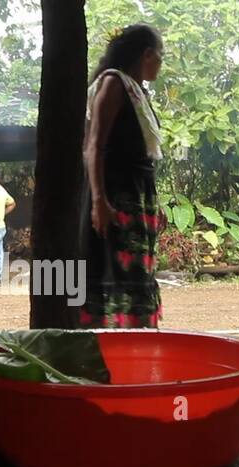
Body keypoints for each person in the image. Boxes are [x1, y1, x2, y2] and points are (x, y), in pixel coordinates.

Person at [80, 24, 165, 328]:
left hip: (136, 195)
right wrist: (99, 200)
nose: (160, 64)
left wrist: (156, 204)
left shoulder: (135, 89)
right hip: (116, 196)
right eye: (160, 56)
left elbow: (140, 152)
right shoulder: (114, 84)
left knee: (135, 272)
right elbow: (94, 145)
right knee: (115, 269)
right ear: (146, 55)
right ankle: (117, 338)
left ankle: (134, 336)